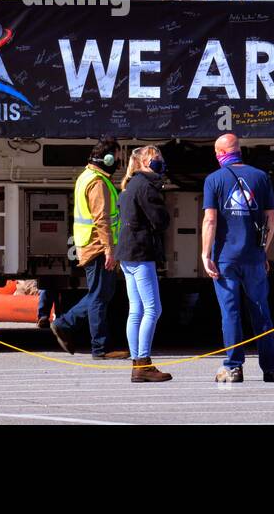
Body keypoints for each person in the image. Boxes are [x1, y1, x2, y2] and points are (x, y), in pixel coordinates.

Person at [202, 133, 274, 383]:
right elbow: (271, 219)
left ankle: (234, 367)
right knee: (261, 310)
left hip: (225, 258)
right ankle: (270, 368)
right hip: (253, 257)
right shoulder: (260, 177)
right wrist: (263, 251)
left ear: (219, 154)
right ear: (239, 150)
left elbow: (210, 220)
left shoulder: (214, 180)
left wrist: (205, 254)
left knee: (231, 312)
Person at [50, 136, 130, 359]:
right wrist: (109, 250)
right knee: (99, 297)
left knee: (101, 294)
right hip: (98, 247)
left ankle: (67, 324)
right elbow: (102, 219)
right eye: (117, 157)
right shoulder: (97, 183)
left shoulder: (87, 177)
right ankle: (98, 346)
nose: (118, 162)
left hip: (92, 245)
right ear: (106, 158)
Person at [116, 146, 172, 383]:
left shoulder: (130, 186)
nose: (161, 162)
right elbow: (160, 221)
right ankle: (143, 362)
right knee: (153, 309)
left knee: (136, 309)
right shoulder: (146, 187)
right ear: (145, 162)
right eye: (157, 158)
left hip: (127, 253)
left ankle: (137, 362)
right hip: (141, 253)